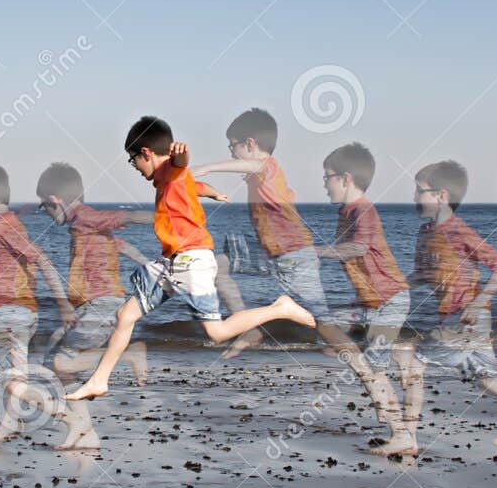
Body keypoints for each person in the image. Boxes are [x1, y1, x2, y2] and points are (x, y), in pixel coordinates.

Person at [65, 116, 316, 402]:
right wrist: (213, 193)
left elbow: (182, 165)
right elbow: (194, 185)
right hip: (172, 262)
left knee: (217, 332)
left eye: (133, 159)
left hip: (192, 260)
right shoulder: (164, 180)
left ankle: (279, 308)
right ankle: (99, 380)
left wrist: (181, 153)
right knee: (126, 315)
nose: (133, 166)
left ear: (146, 152)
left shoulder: (173, 170)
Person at [193, 107, 330, 358]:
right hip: (265, 247)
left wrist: (208, 167)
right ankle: (249, 329)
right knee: (215, 267)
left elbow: (255, 164)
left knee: (319, 319)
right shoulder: (260, 174)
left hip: (293, 252)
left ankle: (342, 348)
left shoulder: (268, 167)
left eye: (232, 146)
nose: (231, 152)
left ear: (250, 143)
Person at [37, 161, 153, 449]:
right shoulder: (86, 229)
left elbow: (130, 217)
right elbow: (124, 247)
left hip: (100, 305)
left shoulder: (85, 218)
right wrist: (150, 266)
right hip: (89, 308)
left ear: (55, 200)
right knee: (54, 364)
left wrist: (170, 216)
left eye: (45, 207)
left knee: (60, 363)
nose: (47, 215)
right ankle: (84, 432)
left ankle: (128, 356)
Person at [0, 163, 75, 449]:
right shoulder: (10, 223)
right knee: (13, 378)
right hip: (22, 313)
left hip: (9, 313)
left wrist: (63, 305)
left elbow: (43, 261)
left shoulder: (2, 227)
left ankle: (71, 421)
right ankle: (6, 428)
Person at [315, 142, 410, 443]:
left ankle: (402, 436)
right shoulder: (346, 212)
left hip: (389, 300)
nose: (324, 184)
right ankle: (383, 364)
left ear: (345, 178)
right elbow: (346, 254)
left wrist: (311, 251)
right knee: (324, 323)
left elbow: (357, 248)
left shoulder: (363, 210)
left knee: (376, 369)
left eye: (327, 177)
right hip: (369, 302)